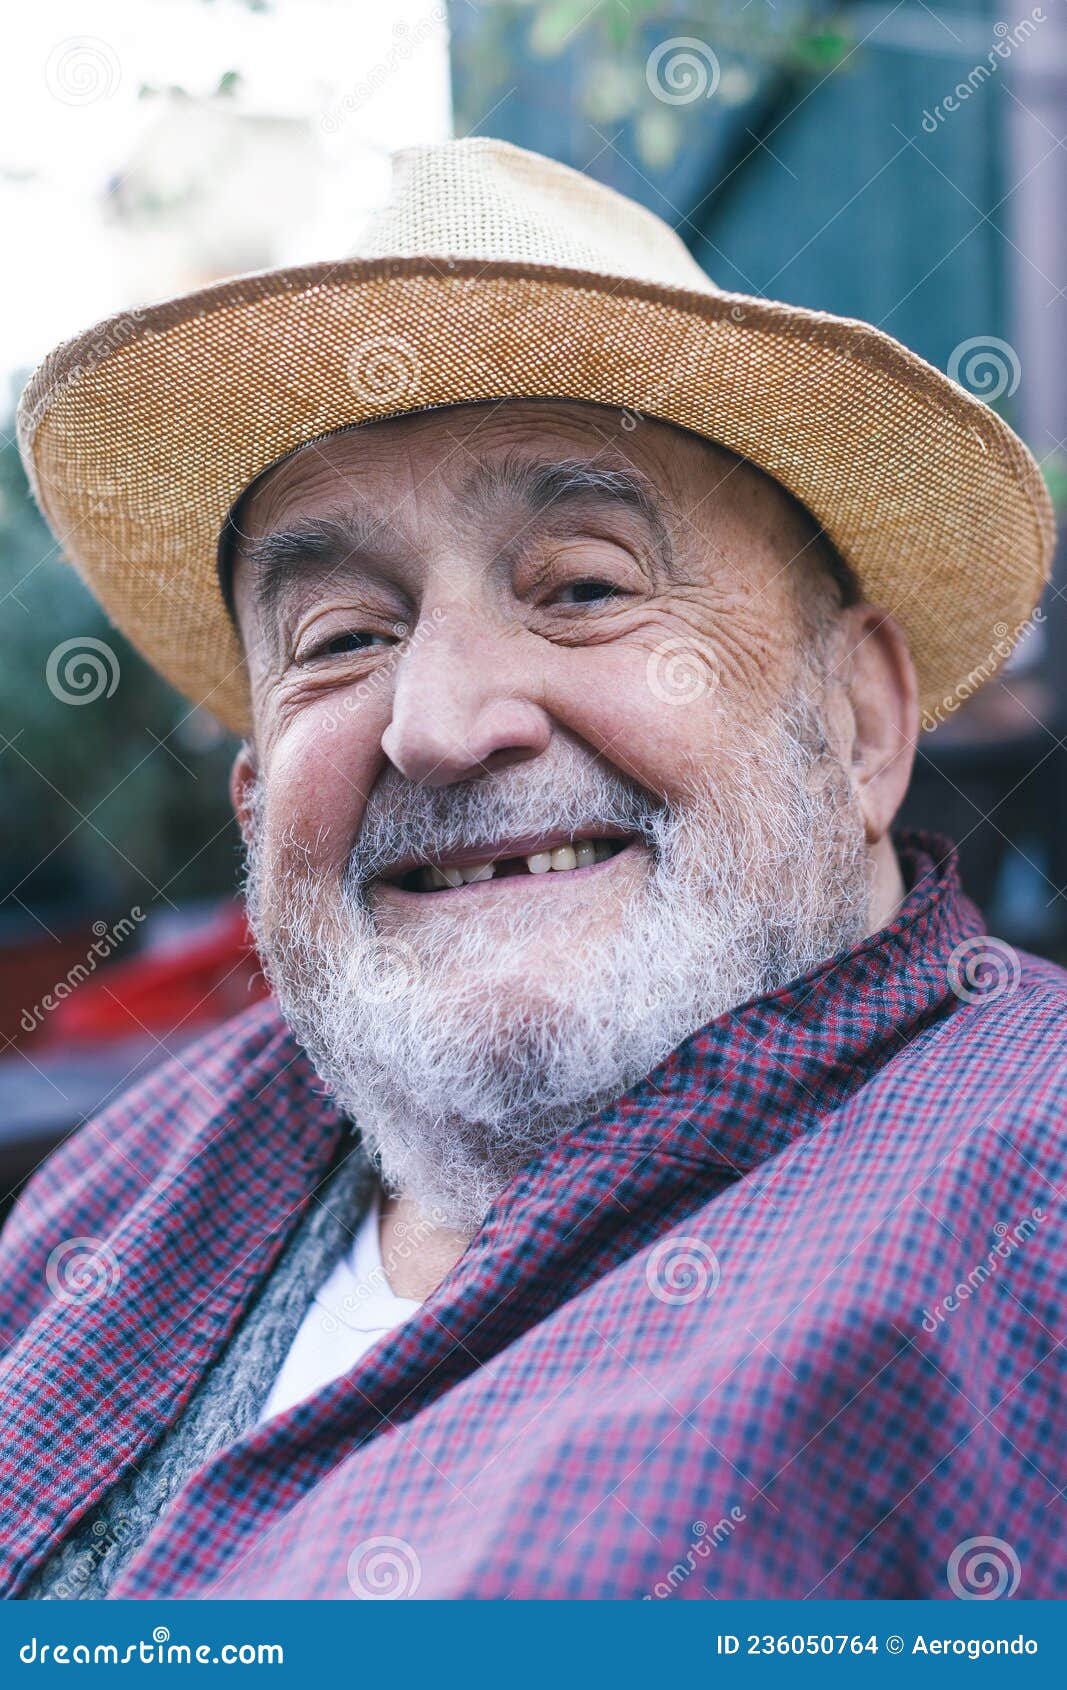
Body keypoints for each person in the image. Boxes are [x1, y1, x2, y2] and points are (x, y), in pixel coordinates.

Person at [2, 138, 1063, 1601]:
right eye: (340, 641)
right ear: (256, 804)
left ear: (859, 718)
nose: (439, 724)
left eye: (583, 587)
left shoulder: (1032, 1195)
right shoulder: (127, 1181)